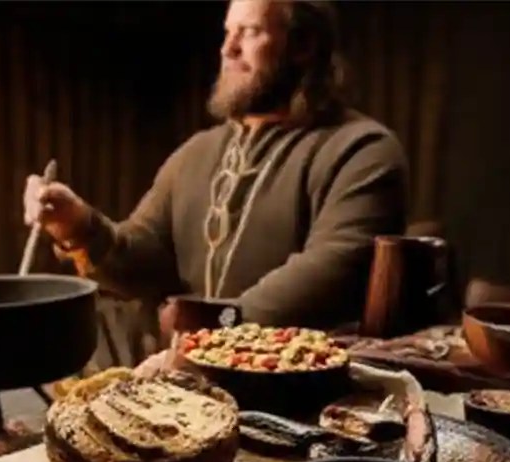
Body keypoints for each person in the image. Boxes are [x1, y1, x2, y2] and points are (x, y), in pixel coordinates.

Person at [22, 0, 408, 341]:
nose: (228, 48)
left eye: (250, 32)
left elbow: (333, 270)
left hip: (297, 395)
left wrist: (211, 333)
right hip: (189, 387)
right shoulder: (196, 153)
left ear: (303, 46)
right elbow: (142, 258)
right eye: (227, 32)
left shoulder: (361, 150)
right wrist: (78, 226)